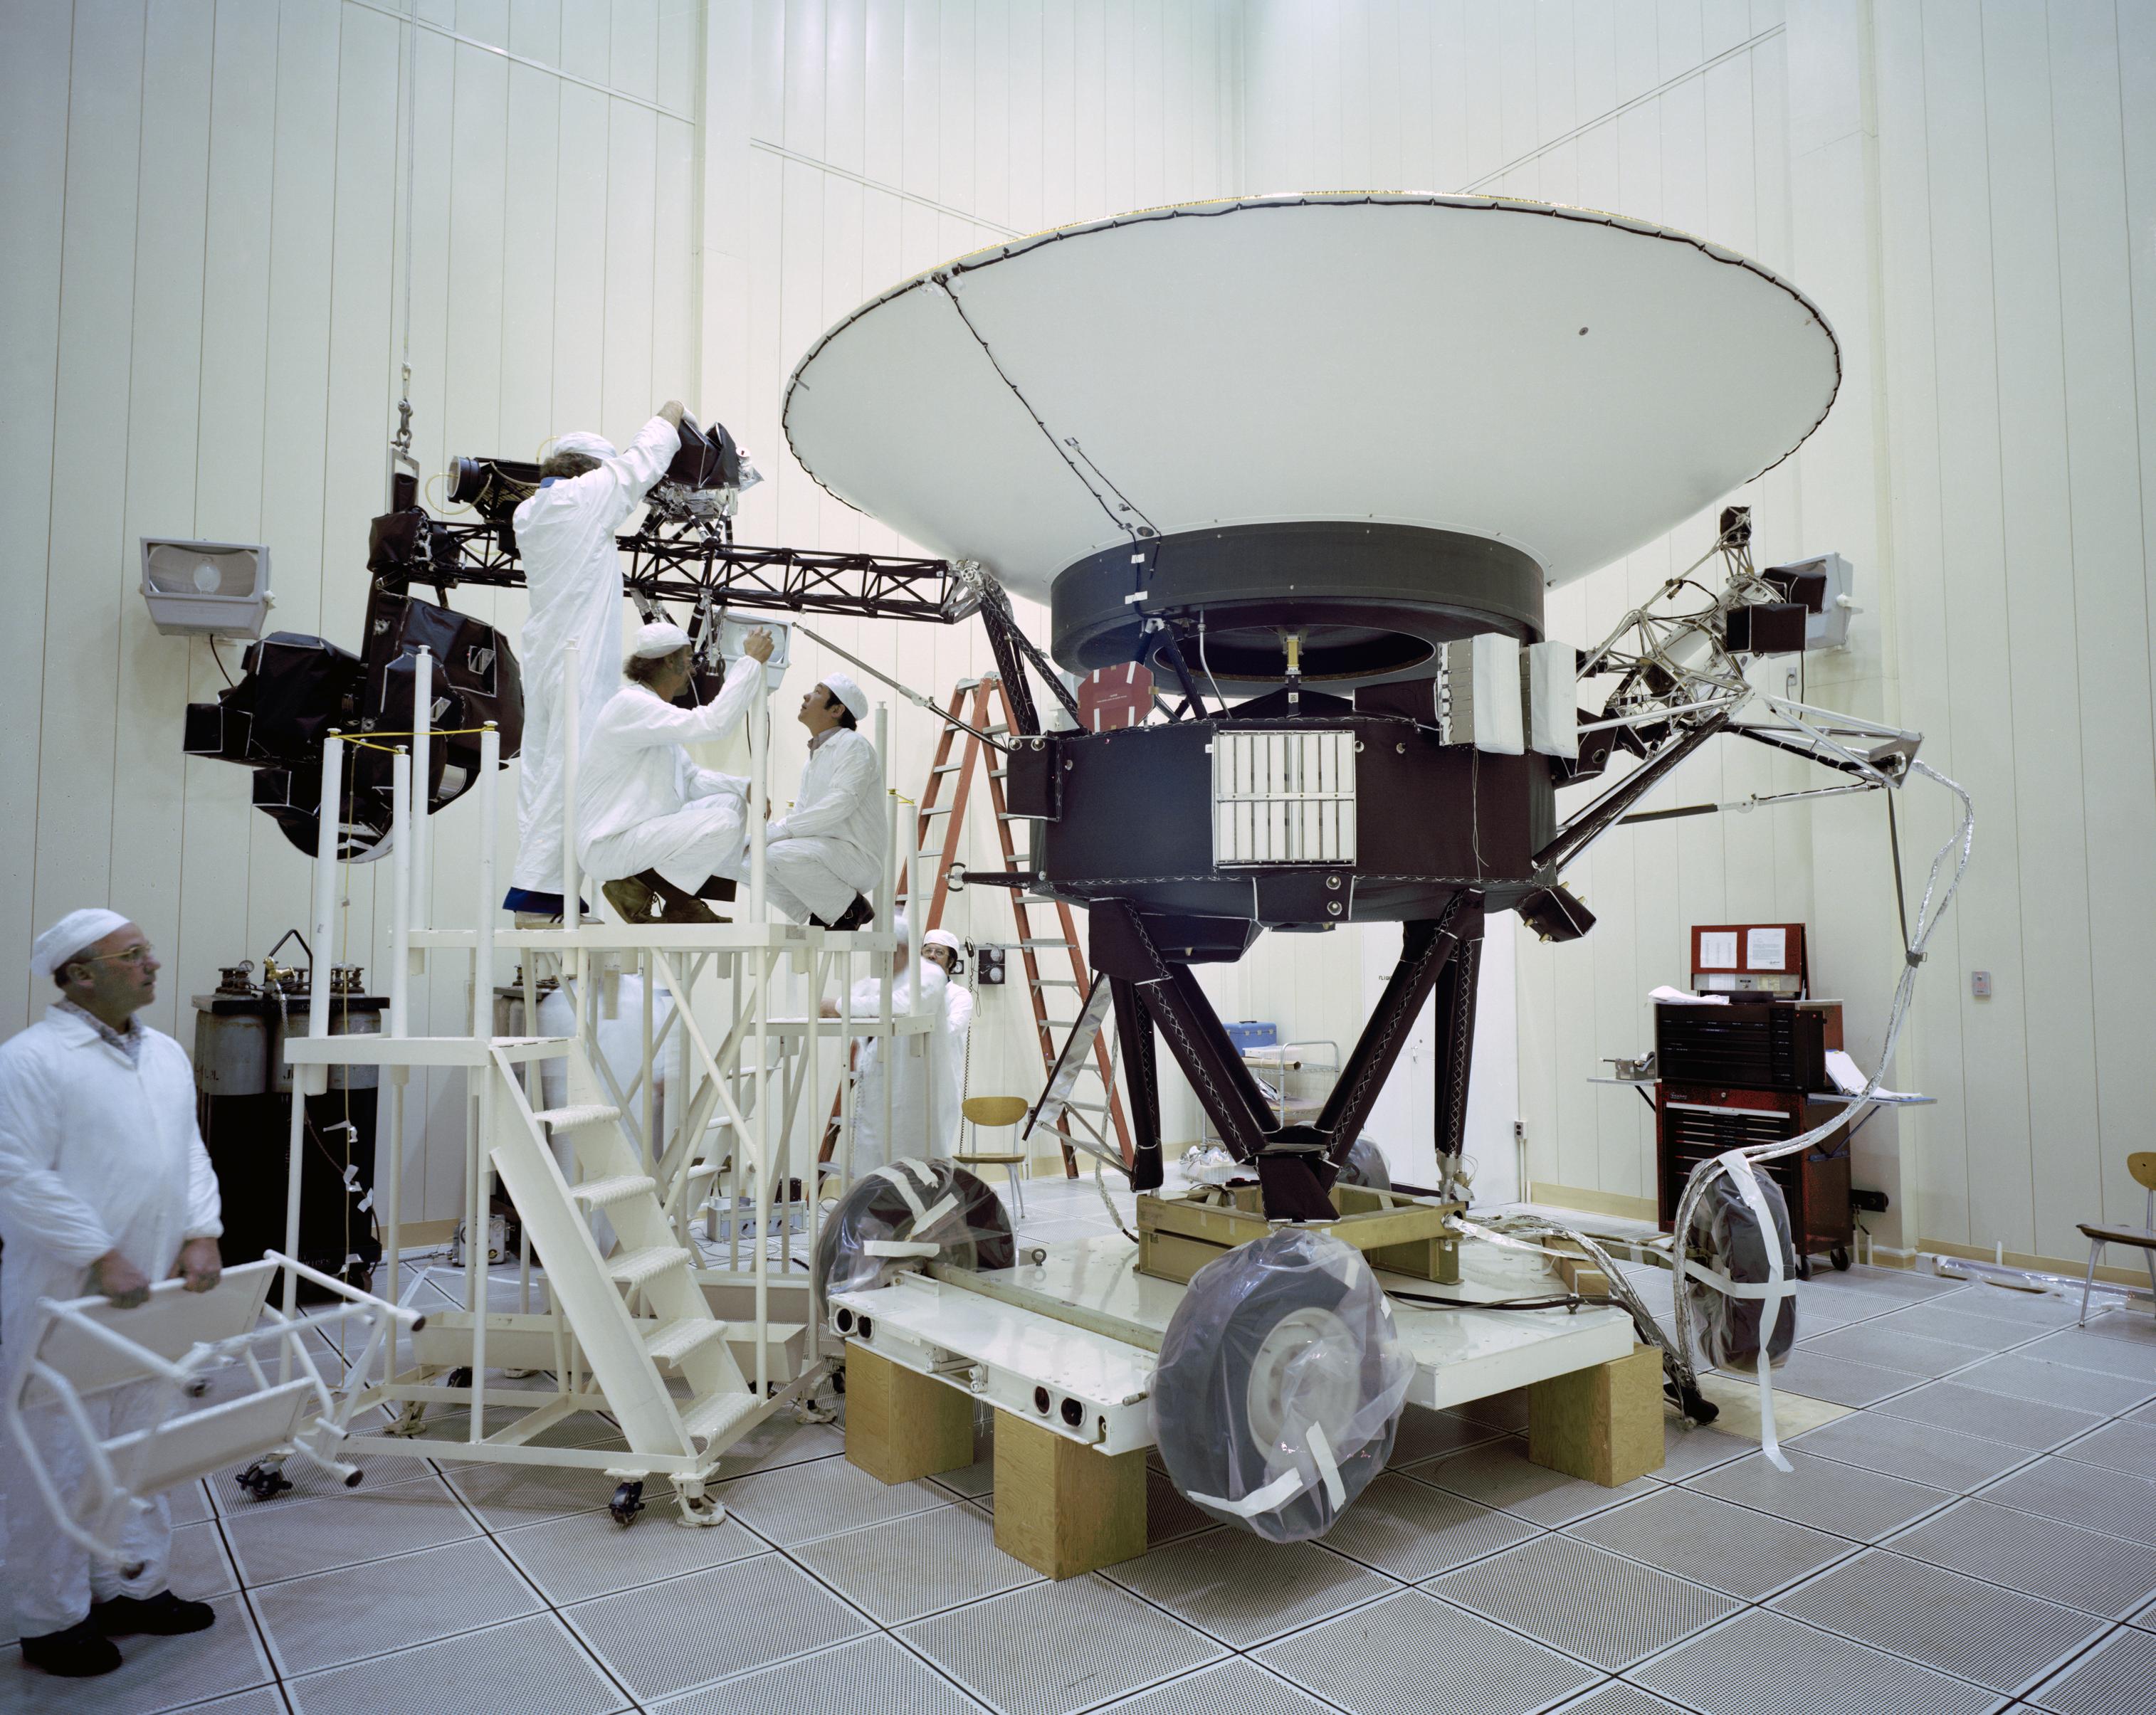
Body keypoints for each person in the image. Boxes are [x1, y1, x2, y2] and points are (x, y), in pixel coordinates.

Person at [0, 911, 225, 1678]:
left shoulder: (160, 1053)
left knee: (140, 1436)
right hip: (65, 1289)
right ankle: (51, 1616)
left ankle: (132, 1580)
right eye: (133, 956)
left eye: (147, 951)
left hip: (153, 1285)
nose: (152, 964)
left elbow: (187, 1150)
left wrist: (202, 1229)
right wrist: (97, 1253)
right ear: (79, 974)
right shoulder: (29, 1062)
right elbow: (18, 1174)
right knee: (55, 1452)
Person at [506, 402, 685, 919]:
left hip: (545, 656)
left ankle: (547, 886)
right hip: (576, 659)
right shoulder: (584, 498)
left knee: (542, 769)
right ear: (589, 471)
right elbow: (639, 463)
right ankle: (540, 894)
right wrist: (670, 416)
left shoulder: (531, 511)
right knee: (574, 764)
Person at [577, 621, 775, 924]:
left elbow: (690, 778)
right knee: (723, 821)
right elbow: (713, 723)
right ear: (669, 661)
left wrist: (744, 787)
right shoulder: (631, 704)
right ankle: (646, 890)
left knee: (731, 804)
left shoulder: (650, 709)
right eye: (687, 660)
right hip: (611, 844)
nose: (692, 670)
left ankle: (680, 900)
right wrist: (749, 663)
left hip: (639, 838)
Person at [722, 673, 883, 929]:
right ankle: (822, 909)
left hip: (855, 856)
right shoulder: (815, 756)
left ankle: (851, 909)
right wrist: (760, 836)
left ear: (837, 709)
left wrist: (779, 832)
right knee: (738, 857)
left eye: (818, 692)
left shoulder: (854, 746)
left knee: (775, 853)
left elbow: (841, 802)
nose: (807, 696)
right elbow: (802, 811)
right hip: (821, 852)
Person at [819, 914, 947, 1176]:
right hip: (878, 1090)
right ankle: (874, 1212)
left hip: (913, 1090)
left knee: (913, 1164)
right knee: (875, 1163)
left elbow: (900, 1004)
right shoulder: (878, 979)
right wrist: (839, 1006)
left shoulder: (929, 975)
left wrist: (839, 1006)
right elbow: (853, 1000)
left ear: (900, 948)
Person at [920, 929, 974, 1156]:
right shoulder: (907, 992)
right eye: (928, 951)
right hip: (909, 1078)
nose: (932, 955)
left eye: (939, 952)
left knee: (937, 1147)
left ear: (951, 961)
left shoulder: (959, 996)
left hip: (943, 1081)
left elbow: (951, 1029)